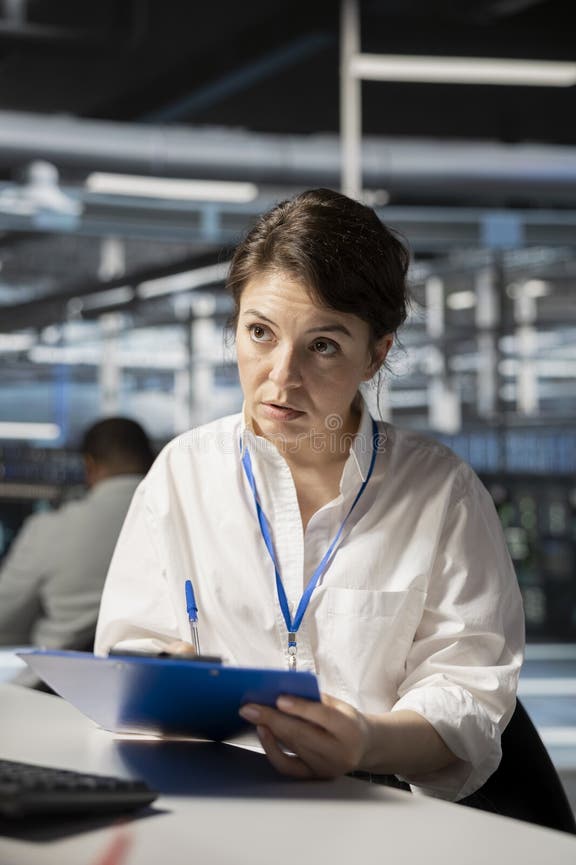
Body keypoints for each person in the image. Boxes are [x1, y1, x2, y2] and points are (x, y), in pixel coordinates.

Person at [95, 189, 524, 803]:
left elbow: (470, 699)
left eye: (323, 345)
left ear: (375, 354)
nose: (281, 377)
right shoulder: (183, 474)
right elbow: (128, 649)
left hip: (374, 807)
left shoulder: (442, 495)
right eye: (260, 332)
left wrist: (366, 739)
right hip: (210, 798)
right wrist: (159, 671)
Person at [0, 417, 154, 673]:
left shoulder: (50, 529)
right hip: (151, 692)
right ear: (152, 462)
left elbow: (5, 617)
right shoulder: (184, 524)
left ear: (89, 465)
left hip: (54, 690)